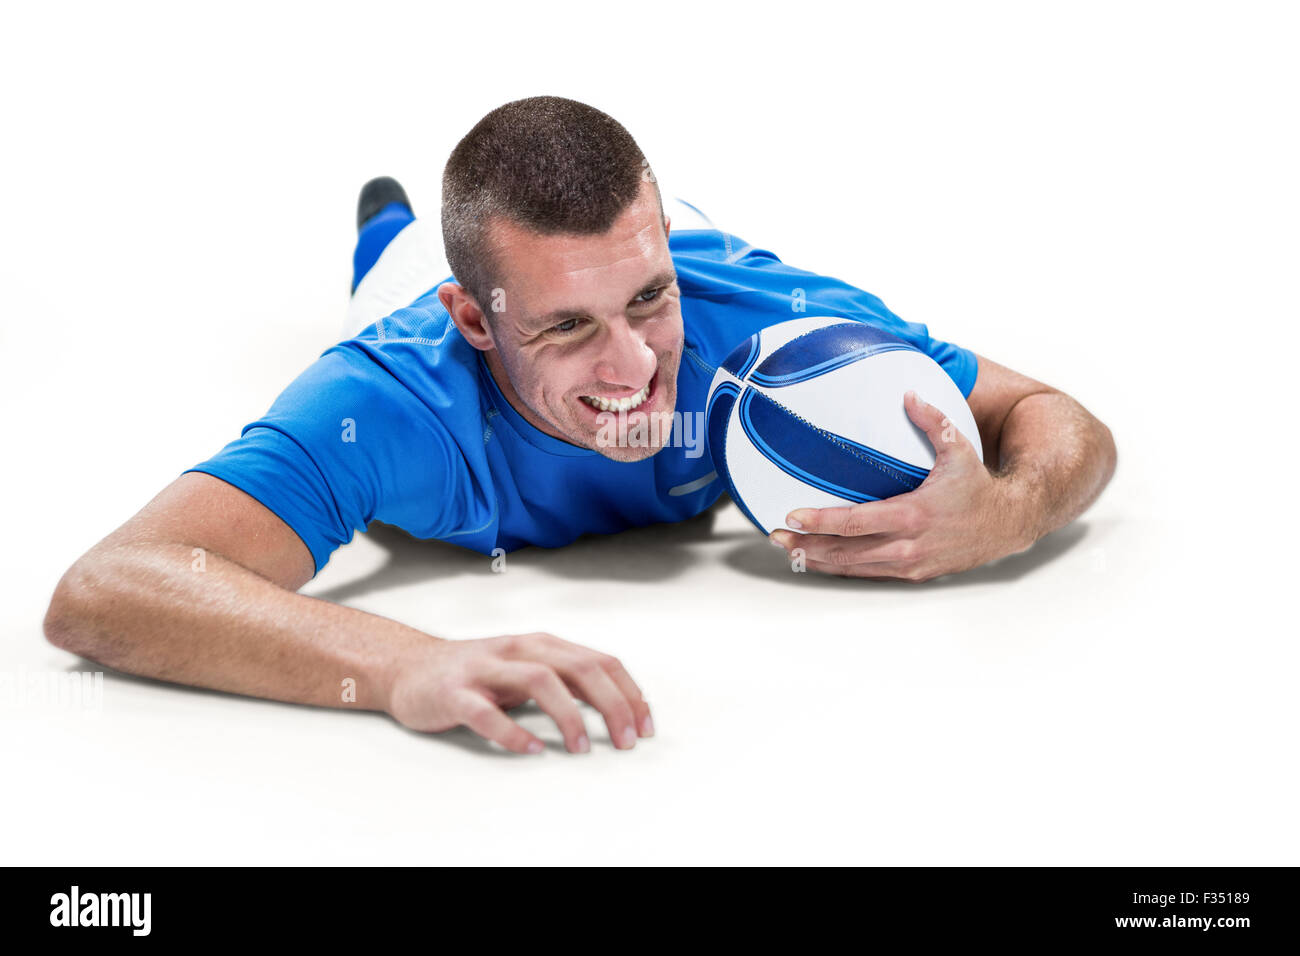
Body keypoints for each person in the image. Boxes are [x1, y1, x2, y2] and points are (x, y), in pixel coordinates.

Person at [43, 96, 1116, 756]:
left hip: (677, 243)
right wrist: (400, 662)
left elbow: (1055, 415)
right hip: (411, 290)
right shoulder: (388, 401)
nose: (633, 365)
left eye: (648, 300)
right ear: (477, 319)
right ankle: (386, 221)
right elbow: (109, 586)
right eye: (567, 325)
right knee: (394, 255)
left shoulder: (769, 321)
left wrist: (1009, 510)